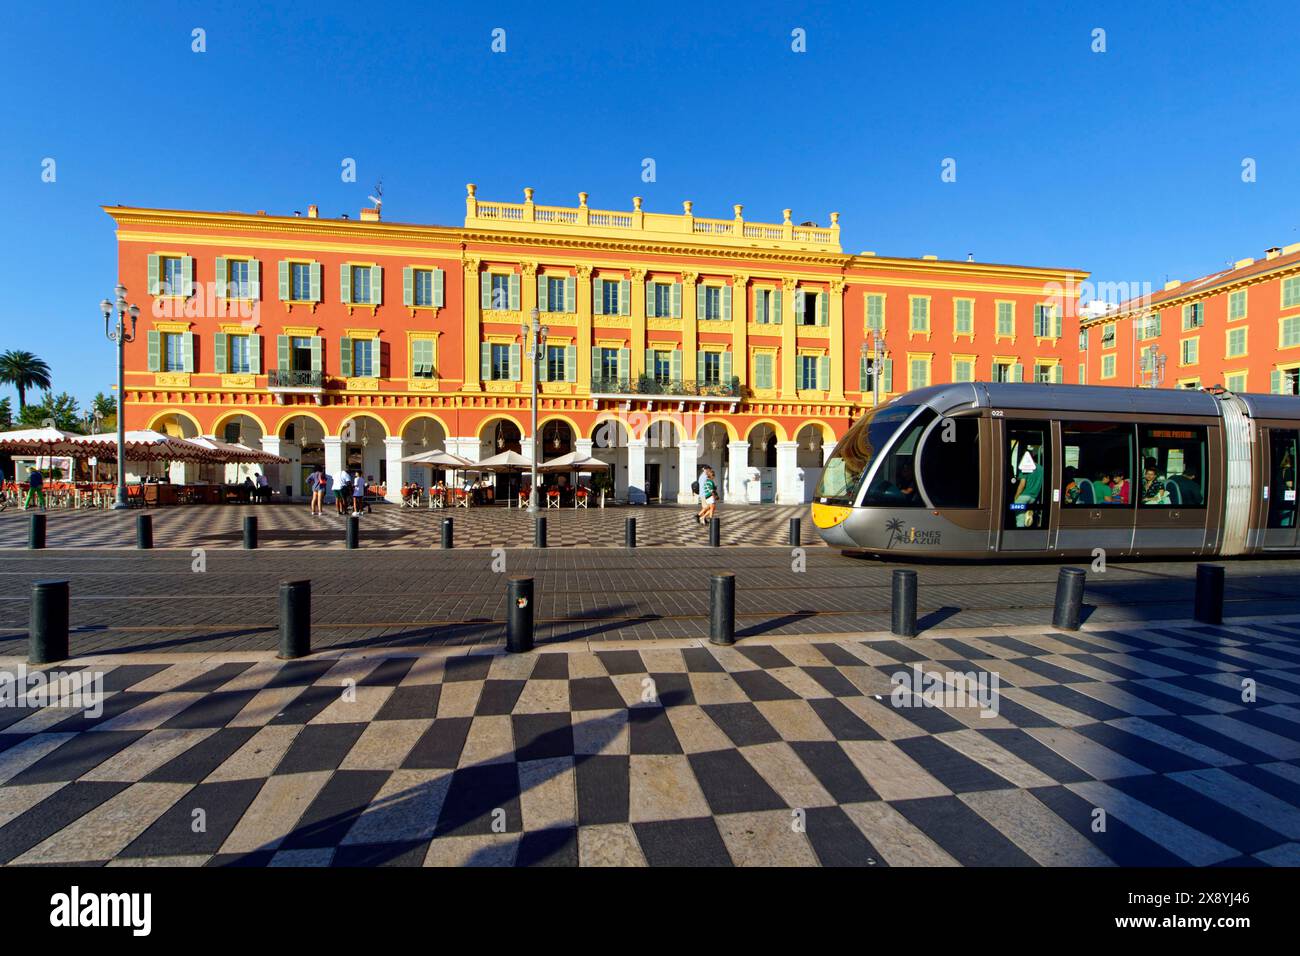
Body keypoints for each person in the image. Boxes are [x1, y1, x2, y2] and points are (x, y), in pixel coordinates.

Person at [1012, 447, 1042, 527]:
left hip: (1024, 496)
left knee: (1020, 518)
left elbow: (1022, 484)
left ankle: (1020, 532)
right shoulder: (1041, 468)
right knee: (1025, 514)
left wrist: (1016, 497)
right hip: (1033, 498)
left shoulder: (1026, 466)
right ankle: (1028, 515)